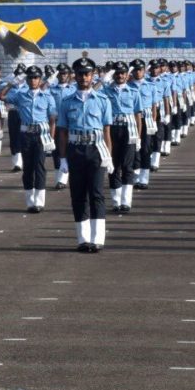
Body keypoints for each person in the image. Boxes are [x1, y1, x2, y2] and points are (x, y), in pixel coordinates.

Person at [56, 57, 113, 253]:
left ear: (93, 75)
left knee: (96, 193)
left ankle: (97, 239)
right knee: (78, 194)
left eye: (87, 73)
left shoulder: (103, 100)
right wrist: (62, 158)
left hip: (96, 149)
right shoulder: (66, 102)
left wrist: (109, 156)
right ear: (75, 76)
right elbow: (62, 131)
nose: (83, 77)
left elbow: (106, 131)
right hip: (75, 149)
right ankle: (83, 239)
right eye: (79, 74)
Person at [0, 65, 56, 213]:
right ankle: (30, 201)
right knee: (28, 168)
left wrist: (52, 138)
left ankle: (40, 202)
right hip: (26, 135)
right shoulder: (20, 95)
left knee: (40, 167)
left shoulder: (48, 97)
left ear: (40, 79)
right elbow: (0, 96)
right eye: (30, 77)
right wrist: (12, 83)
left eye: (36, 77)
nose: (33, 80)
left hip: (42, 135)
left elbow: (52, 119)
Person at [101, 61, 143, 213]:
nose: (120, 76)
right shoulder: (106, 90)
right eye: (117, 73)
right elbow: (93, 90)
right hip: (112, 130)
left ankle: (126, 201)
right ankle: (116, 201)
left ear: (127, 75)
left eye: (122, 73)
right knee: (113, 165)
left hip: (129, 130)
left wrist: (138, 137)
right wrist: (106, 76)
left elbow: (138, 115)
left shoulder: (133, 92)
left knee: (127, 166)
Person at [128, 59, 157, 190]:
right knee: (133, 149)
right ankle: (135, 174)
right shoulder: (127, 87)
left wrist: (154, 122)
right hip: (131, 121)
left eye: (140, 69)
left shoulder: (150, 86)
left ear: (144, 71)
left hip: (146, 120)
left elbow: (154, 106)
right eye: (135, 69)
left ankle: (144, 178)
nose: (137, 72)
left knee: (145, 148)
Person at [50, 63, 75, 190]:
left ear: (69, 75)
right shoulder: (51, 89)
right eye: (60, 73)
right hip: (55, 124)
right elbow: (41, 90)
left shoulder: (73, 89)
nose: (63, 75)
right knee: (56, 152)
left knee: (68, 150)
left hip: (70, 124)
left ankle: (64, 178)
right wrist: (50, 78)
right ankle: (59, 178)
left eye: (65, 73)